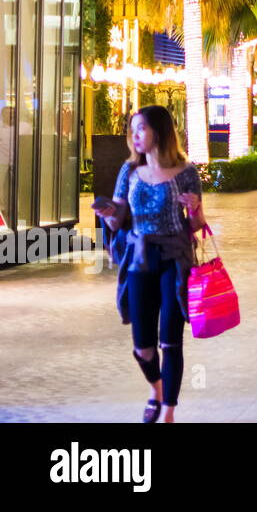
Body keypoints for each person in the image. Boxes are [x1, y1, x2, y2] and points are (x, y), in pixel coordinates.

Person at [93, 105, 204, 424]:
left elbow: (197, 225)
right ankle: (156, 389)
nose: (135, 135)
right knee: (143, 346)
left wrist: (194, 207)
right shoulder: (128, 171)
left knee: (170, 339)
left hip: (175, 260)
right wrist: (109, 215)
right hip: (140, 259)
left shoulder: (186, 172)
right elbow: (117, 222)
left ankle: (168, 410)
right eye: (133, 129)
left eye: (141, 128)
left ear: (160, 131)